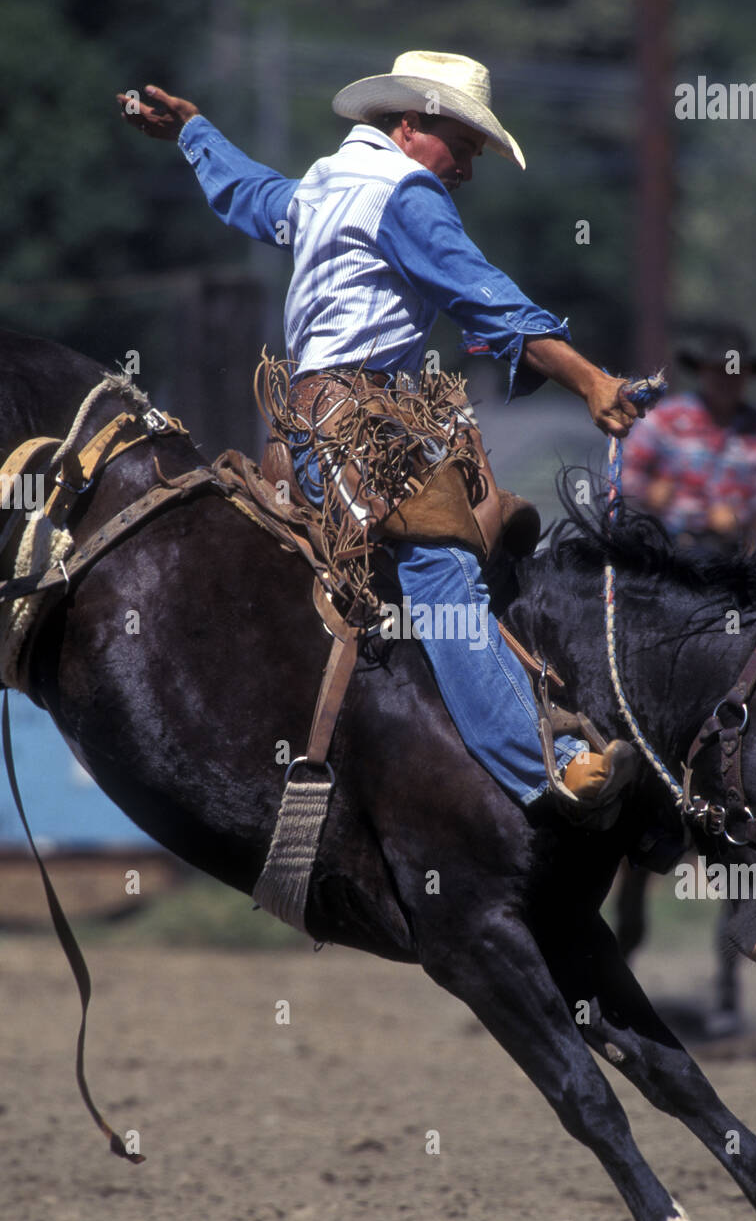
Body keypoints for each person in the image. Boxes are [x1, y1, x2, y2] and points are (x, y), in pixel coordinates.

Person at [117, 50, 642, 822]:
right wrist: (593, 380)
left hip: (313, 426)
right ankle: (550, 768)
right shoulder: (406, 194)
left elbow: (253, 196)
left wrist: (195, 133)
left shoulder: (334, 180)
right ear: (411, 125)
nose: (465, 169)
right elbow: (487, 300)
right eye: (462, 147)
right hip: (356, 429)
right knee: (442, 573)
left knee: (482, 547)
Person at [622, 321, 756, 550]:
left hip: (734, 551)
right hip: (662, 545)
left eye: (735, 371)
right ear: (702, 370)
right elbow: (625, 472)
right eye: (718, 370)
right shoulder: (665, 418)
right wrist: (647, 492)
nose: (726, 380)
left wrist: (738, 516)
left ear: (748, 374)